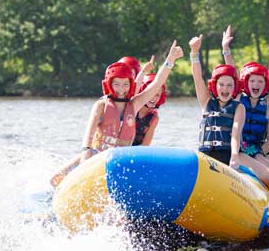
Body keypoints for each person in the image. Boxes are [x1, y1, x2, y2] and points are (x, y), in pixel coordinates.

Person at [50, 41, 184, 186]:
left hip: (120, 162)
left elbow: (157, 83)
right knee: (55, 179)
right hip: (96, 155)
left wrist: (170, 60)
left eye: (125, 84)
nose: (121, 89)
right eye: (117, 84)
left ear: (131, 85)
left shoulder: (134, 105)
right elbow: (88, 134)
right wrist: (86, 153)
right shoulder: (101, 105)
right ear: (109, 84)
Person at [188, 34, 269, 204]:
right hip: (207, 154)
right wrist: (194, 53)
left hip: (230, 153)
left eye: (230, 85)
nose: (225, 89)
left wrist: (234, 156)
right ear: (215, 86)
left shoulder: (239, 106)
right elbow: (197, 77)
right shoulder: (206, 101)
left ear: (236, 88)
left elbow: (236, 133)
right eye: (221, 85)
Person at [221, 25, 269, 196]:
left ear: (265, 85)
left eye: (260, 82)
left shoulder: (267, 105)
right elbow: (232, 71)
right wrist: (226, 49)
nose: (256, 84)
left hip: (258, 150)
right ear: (245, 83)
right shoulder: (238, 98)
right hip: (240, 149)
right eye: (252, 81)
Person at [132, 72, 167, 146]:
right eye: (151, 93)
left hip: (137, 150)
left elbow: (145, 144)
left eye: (157, 95)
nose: (153, 98)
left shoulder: (154, 118)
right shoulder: (132, 106)